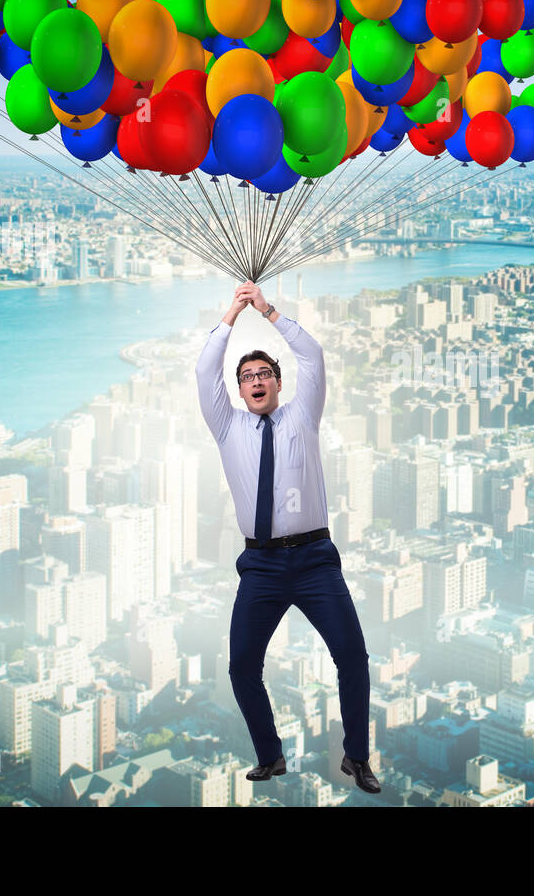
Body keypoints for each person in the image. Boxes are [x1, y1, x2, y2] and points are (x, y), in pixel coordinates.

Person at [195, 281, 380, 794]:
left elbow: (313, 356)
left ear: (278, 383)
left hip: (316, 559)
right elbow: (204, 370)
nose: (255, 381)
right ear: (239, 390)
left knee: (353, 658)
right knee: (241, 667)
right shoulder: (227, 427)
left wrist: (268, 311)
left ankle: (357, 758)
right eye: (247, 377)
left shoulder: (302, 415)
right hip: (261, 567)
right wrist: (232, 314)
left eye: (264, 374)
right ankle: (270, 755)